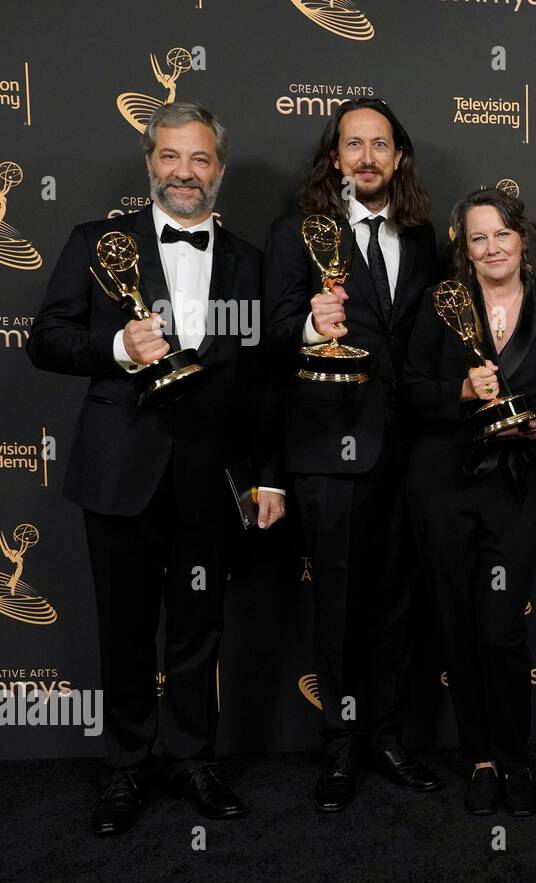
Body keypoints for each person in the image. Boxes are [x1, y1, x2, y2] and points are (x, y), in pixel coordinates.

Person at [28, 102, 284, 834]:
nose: (185, 172)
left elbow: (264, 383)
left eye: (200, 159)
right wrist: (115, 348)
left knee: (199, 630)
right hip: (119, 472)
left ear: (220, 170)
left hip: (210, 476)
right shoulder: (97, 242)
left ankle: (194, 759)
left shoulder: (250, 262)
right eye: (171, 157)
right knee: (124, 627)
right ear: (149, 162)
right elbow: (45, 338)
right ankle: (127, 768)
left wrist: (268, 475)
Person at [262, 98, 440, 812]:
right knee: (337, 607)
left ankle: (388, 737)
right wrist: (310, 322)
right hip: (330, 451)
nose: (367, 157)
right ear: (333, 157)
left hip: (413, 452)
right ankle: (340, 751)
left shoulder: (423, 237)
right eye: (353, 144)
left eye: (381, 145)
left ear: (399, 157)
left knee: (398, 605)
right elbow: (269, 335)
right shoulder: (294, 233)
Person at [403, 188, 536, 816]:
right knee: (457, 626)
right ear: (465, 247)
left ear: (523, 237)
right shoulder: (441, 305)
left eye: (502, 235)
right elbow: (407, 389)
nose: (491, 248)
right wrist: (459, 388)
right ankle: (479, 759)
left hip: (519, 486)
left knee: (501, 630)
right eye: (478, 238)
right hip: (445, 485)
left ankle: (514, 758)